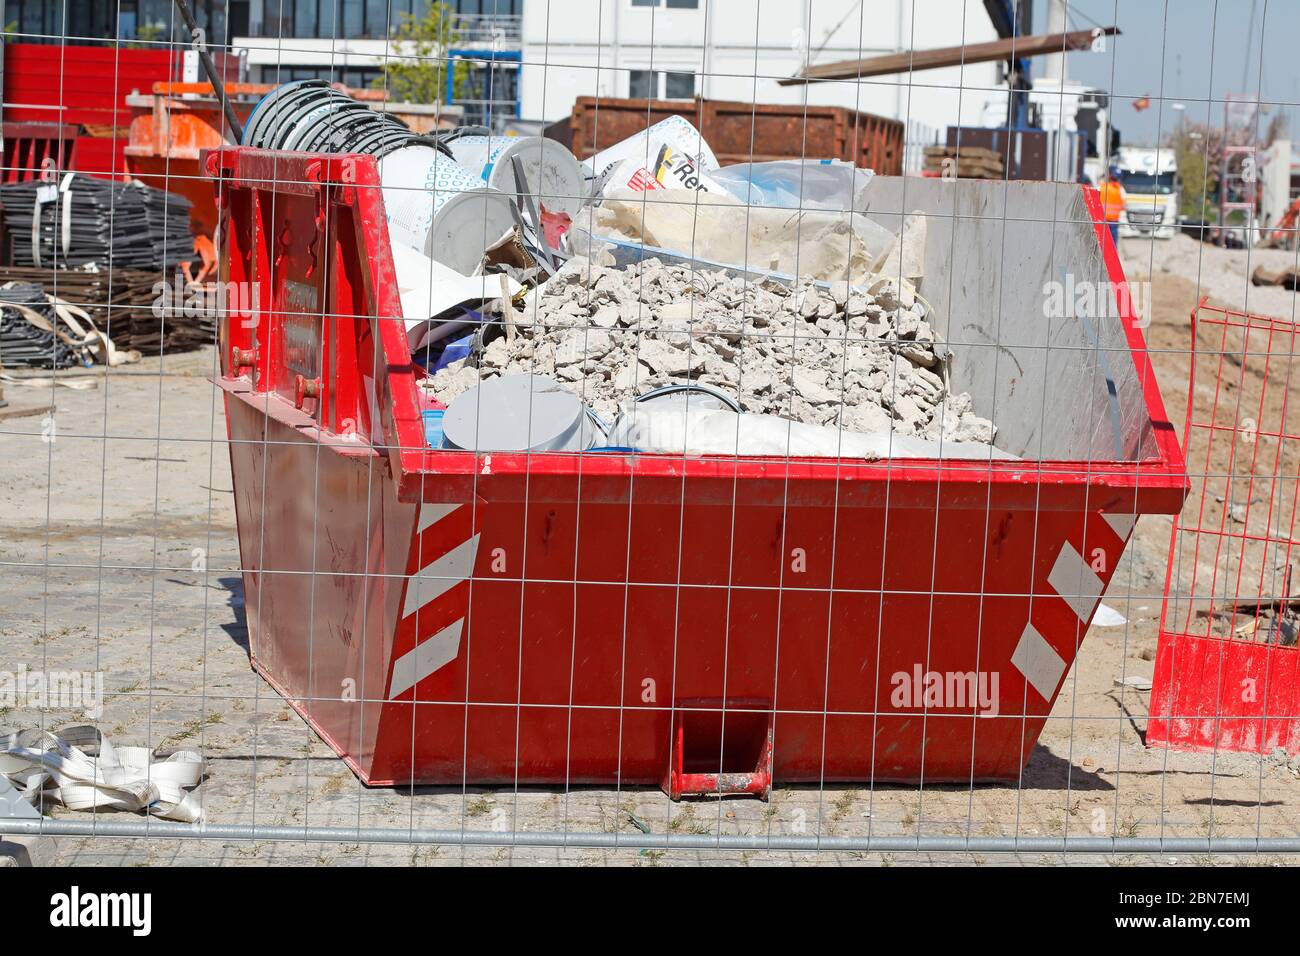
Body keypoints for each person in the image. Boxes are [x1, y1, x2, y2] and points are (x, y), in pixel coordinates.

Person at [1100, 166, 1127, 247]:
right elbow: (1124, 206)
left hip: (1101, 221)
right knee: (1112, 246)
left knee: (1101, 245)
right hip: (1114, 222)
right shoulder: (1121, 189)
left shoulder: (1102, 187)